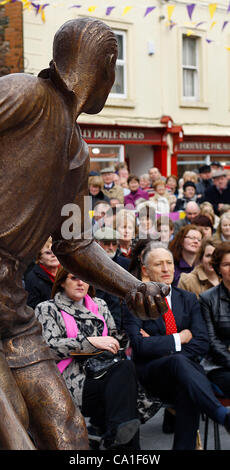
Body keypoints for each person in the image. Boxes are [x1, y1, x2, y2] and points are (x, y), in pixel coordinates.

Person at [0, 17, 169, 450]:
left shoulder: (77, 148)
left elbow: (74, 242)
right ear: (107, 67)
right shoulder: (26, 93)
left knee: (69, 433)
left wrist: (134, 287)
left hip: (12, 309)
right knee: (14, 431)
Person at [122, 242, 230, 450]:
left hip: (184, 370)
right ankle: (220, 414)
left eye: (169, 263)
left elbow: (201, 342)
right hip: (152, 373)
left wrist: (158, 342)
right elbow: (139, 346)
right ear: (145, 270)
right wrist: (179, 338)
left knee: (185, 385)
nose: (165, 269)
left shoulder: (187, 299)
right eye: (158, 264)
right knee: (180, 364)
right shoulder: (136, 301)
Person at [35, 267, 140, 450]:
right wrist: (90, 342)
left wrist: (124, 338)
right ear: (61, 281)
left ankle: (115, 435)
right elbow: (48, 348)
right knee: (125, 399)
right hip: (70, 377)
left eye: (85, 278)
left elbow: (115, 338)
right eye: (74, 277)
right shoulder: (47, 308)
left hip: (103, 369)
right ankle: (118, 440)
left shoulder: (99, 304)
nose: (80, 282)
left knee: (125, 371)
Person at [199, 242, 230, 398]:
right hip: (218, 365)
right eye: (226, 264)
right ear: (218, 268)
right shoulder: (207, 298)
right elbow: (211, 340)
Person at [25, 237, 60, 309]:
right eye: (48, 253)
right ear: (39, 259)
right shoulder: (32, 278)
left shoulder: (67, 272)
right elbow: (33, 307)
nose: (53, 255)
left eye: (55, 251)